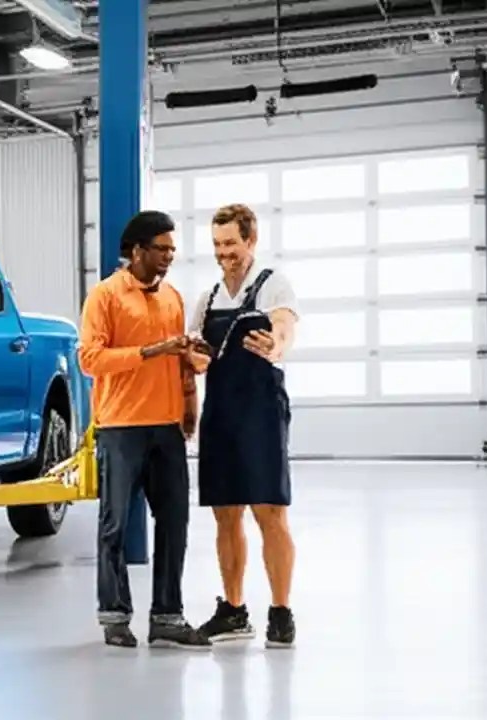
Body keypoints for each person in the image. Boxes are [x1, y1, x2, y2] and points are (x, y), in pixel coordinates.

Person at [78, 210, 210, 650]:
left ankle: (167, 618)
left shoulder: (172, 297)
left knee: (174, 522)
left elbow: (179, 361)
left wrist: (190, 400)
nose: (169, 256)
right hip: (121, 429)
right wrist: (152, 350)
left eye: (173, 249)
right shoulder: (105, 297)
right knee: (114, 525)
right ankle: (115, 616)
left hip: (167, 428)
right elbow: (90, 359)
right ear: (137, 251)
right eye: (161, 249)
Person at [188, 203, 300, 648]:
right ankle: (234, 611)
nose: (223, 253)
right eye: (217, 244)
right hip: (221, 415)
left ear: (250, 241)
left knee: (270, 512)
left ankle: (280, 610)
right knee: (225, 514)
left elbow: (285, 327)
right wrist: (193, 362)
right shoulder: (209, 298)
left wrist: (277, 345)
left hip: (261, 413)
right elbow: (195, 353)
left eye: (231, 243)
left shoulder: (273, 285)